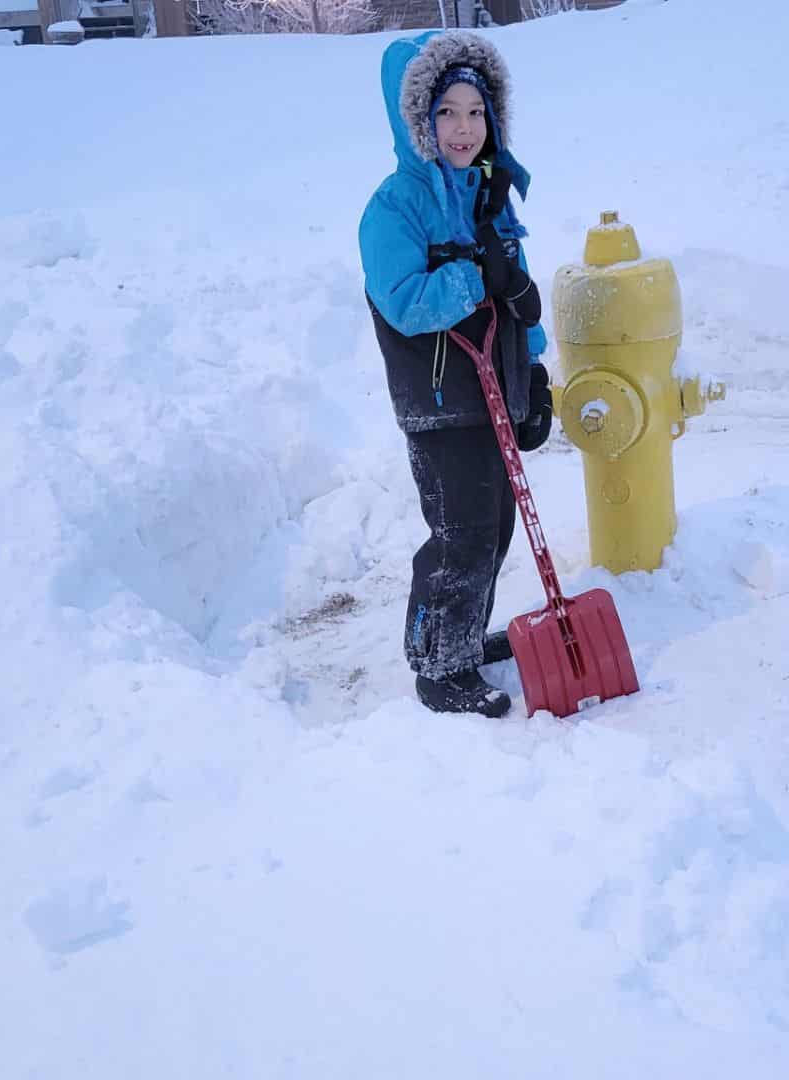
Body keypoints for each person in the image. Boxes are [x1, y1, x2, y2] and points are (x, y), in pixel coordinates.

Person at [358, 30, 554, 718]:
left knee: (494, 528)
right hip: (440, 397)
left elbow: (518, 292)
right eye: (446, 113)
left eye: (475, 112)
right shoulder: (396, 206)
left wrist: (534, 372)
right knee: (459, 535)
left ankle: (463, 639)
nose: (463, 129)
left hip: (495, 386)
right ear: (417, 119)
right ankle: (438, 668)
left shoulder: (488, 192)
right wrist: (474, 276)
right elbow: (404, 301)